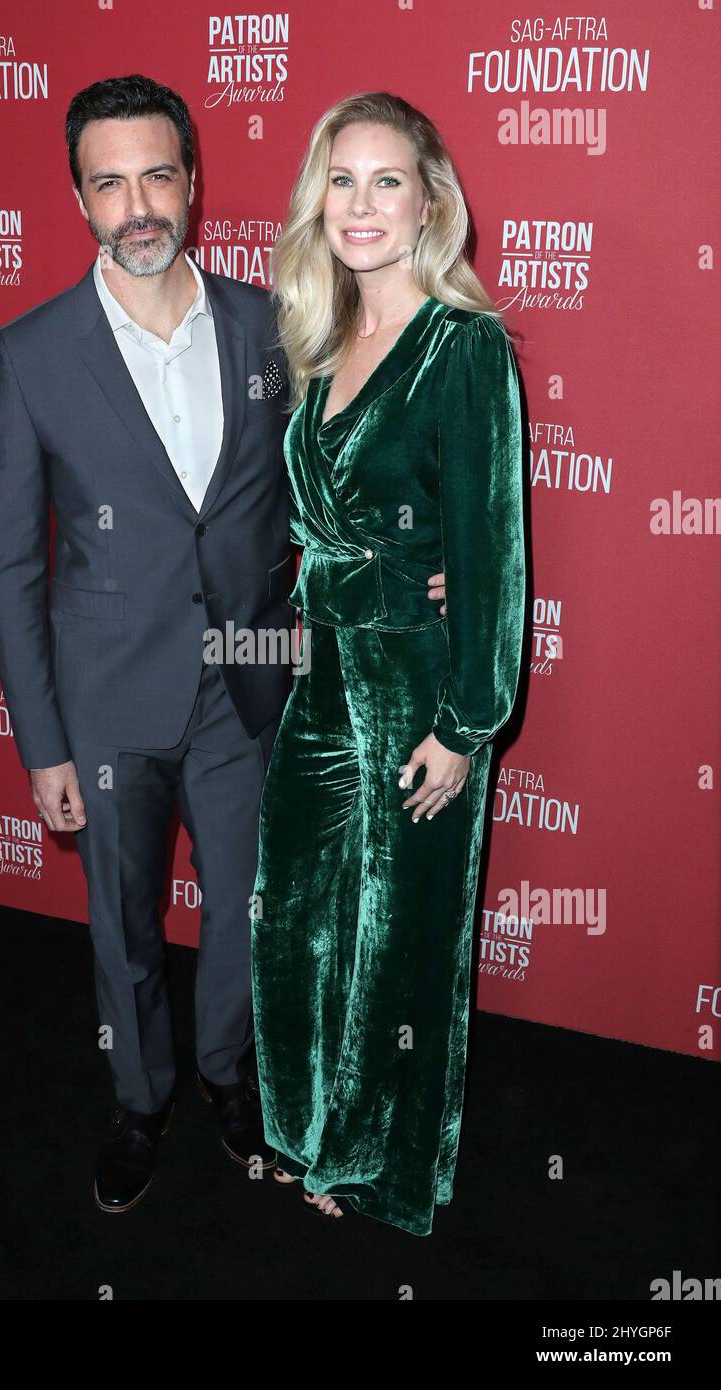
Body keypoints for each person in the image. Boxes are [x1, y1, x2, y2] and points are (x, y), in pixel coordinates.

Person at [0, 74, 450, 1215]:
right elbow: (15, 566)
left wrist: (416, 558)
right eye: (109, 183)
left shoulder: (269, 324)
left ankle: (232, 1081)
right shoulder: (31, 353)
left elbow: (334, 482)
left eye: (156, 175)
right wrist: (42, 744)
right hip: (106, 703)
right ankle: (140, 1101)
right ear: (80, 198)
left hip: (251, 685)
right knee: (124, 928)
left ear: (192, 182)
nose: (137, 204)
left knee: (250, 909)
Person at [251, 91, 527, 1234]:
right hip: (322, 680)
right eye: (342, 179)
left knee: (396, 934)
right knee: (300, 914)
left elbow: (494, 555)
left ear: (429, 203)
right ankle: (305, 1122)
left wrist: (468, 724)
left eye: (387, 181)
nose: (360, 204)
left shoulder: (463, 348)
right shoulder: (319, 341)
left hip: (419, 686)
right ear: (320, 198)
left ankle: (371, 1160)